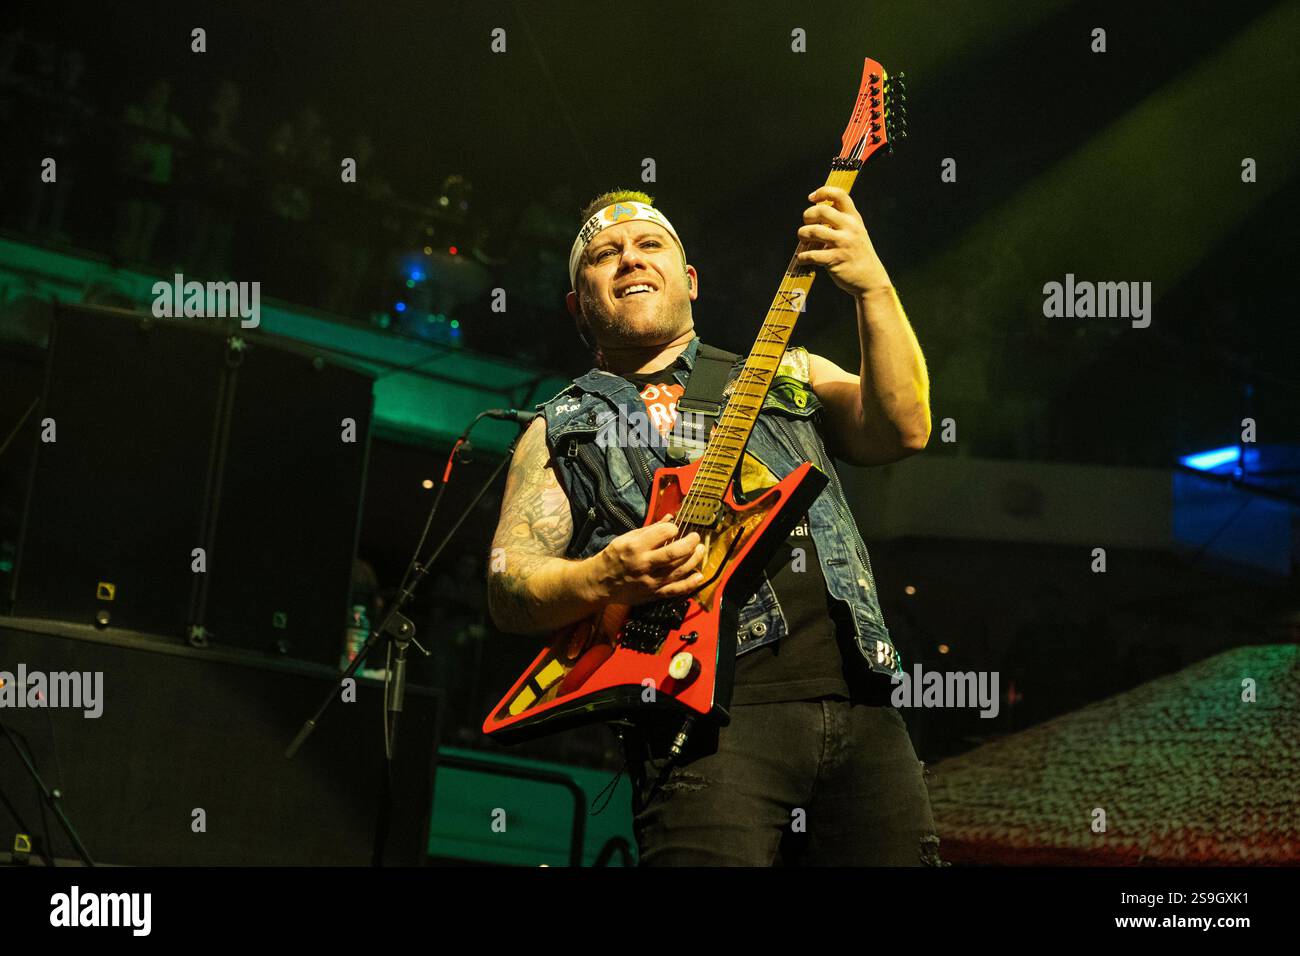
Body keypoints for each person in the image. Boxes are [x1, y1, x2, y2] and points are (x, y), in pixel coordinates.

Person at [486, 188, 941, 866]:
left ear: (689, 281)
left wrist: (871, 284)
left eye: (649, 245)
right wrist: (601, 575)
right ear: (578, 306)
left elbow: (905, 426)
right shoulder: (558, 427)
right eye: (604, 254)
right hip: (701, 725)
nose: (629, 260)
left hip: (863, 704)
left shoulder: (791, 373)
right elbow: (508, 584)